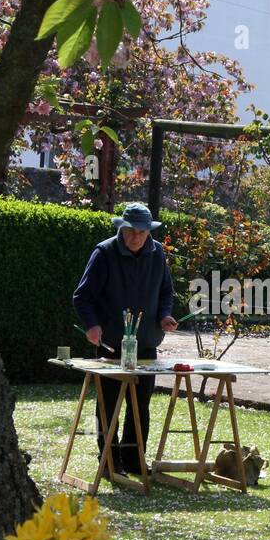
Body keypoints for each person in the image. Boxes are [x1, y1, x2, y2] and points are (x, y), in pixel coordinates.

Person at [72, 202, 177, 473]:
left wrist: (165, 316)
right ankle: (107, 460)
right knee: (107, 407)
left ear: (149, 232)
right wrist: (92, 325)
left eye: (142, 233)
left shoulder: (157, 254)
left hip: (146, 345)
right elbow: (82, 296)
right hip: (111, 345)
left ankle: (132, 459)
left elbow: (166, 292)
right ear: (122, 227)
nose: (135, 238)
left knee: (140, 407)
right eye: (130, 231)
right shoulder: (104, 252)